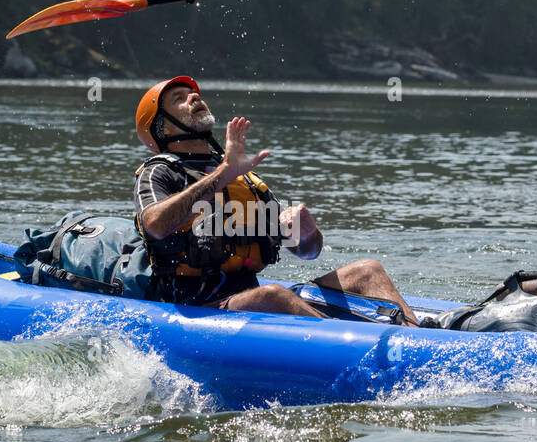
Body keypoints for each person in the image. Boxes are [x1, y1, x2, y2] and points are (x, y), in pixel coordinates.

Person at [132, 75, 424, 324]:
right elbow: (155, 224)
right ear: (163, 128)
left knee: (367, 270)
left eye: (193, 93)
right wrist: (223, 172)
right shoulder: (159, 171)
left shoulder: (242, 178)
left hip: (246, 301)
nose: (194, 96)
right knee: (273, 294)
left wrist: (305, 232)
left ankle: (414, 340)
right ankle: (361, 352)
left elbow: (307, 252)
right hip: (194, 309)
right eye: (179, 99)